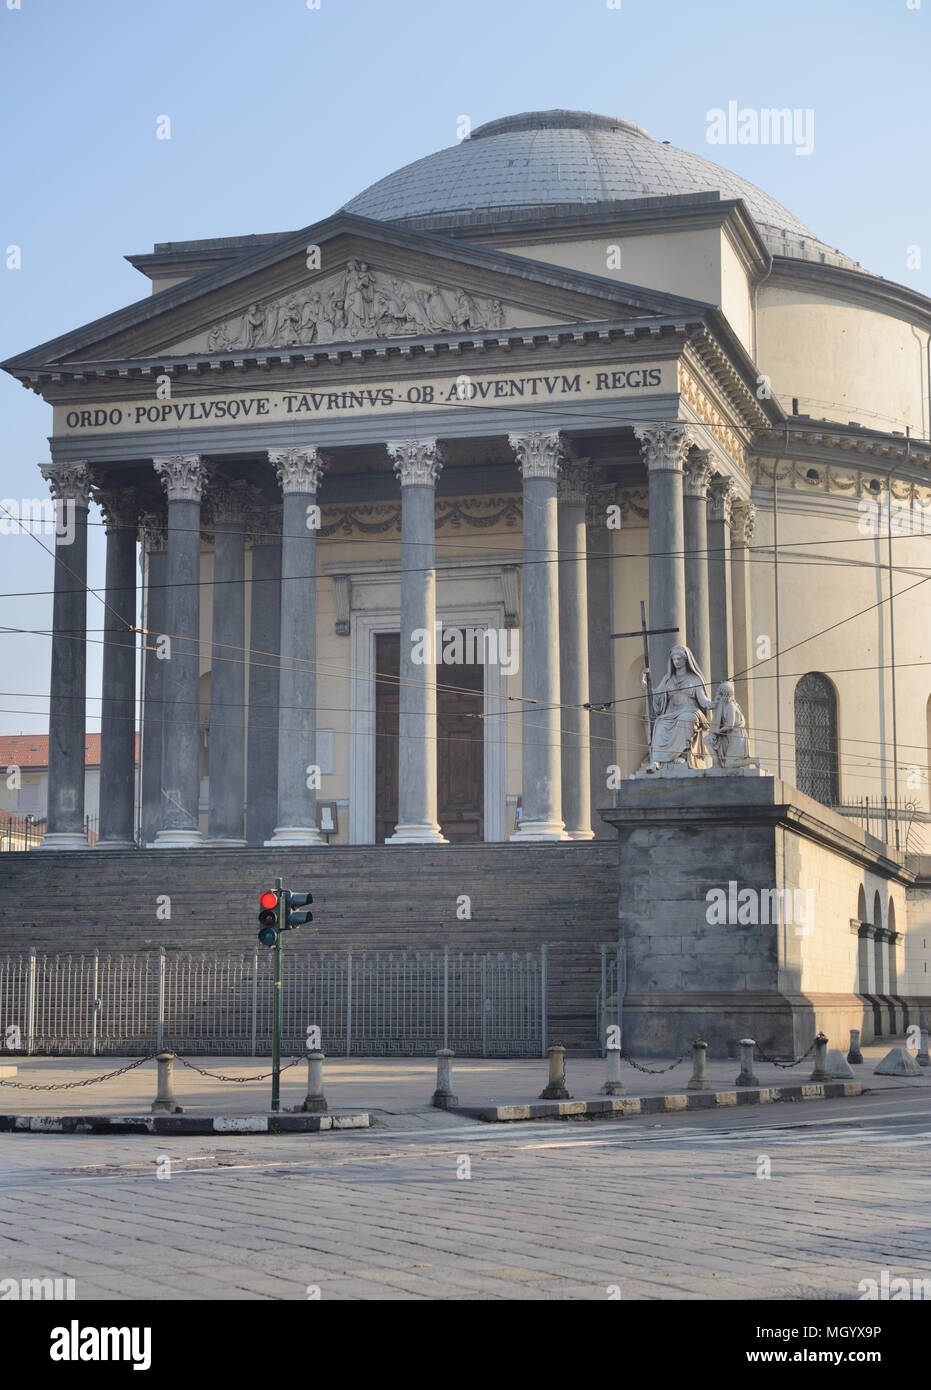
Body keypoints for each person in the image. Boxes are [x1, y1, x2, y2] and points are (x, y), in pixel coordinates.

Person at [647, 644, 713, 769]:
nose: (676, 662)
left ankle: (682, 754)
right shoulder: (668, 679)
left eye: (679, 659)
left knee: (686, 719)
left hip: (690, 711)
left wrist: (712, 704)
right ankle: (656, 761)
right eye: (674, 659)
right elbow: (657, 695)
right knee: (660, 724)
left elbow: (703, 700)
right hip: (671, 713)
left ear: (686, 659)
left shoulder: (695, 678)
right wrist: (646, 685)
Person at [706, 681, 751, 767]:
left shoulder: (730, 706)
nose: (717, 694)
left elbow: (730, 725)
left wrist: (718, 731)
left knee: (729, 765)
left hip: (737, 737)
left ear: (724, 693)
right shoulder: (724, 705)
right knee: (708, 739)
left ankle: (753, 761)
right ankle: (717, 764)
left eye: (719, 692)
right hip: (728, 736)